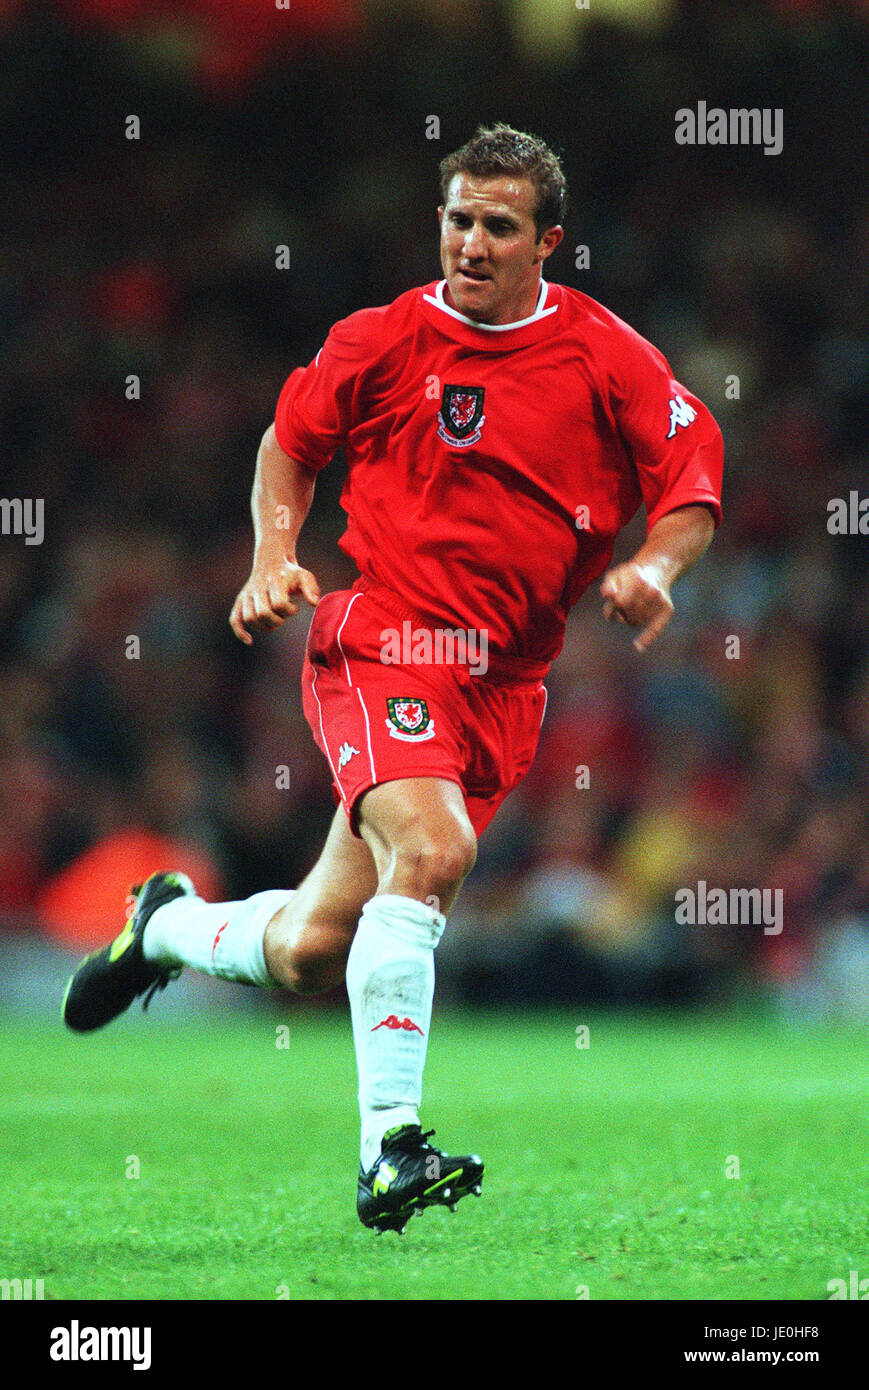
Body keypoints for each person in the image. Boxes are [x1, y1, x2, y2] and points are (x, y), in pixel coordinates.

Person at [63, 124, 723, 1234]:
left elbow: (689, 475)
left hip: (504, 687)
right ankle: (389, 1150)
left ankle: (164, 928)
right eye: (458, 218)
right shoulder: (380, 340)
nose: (471, 242)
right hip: (385, 640)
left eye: (498, 226)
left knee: (317, 949)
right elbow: (289, 444)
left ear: (545, 243)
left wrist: (654, 567)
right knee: (434, 849)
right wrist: (275, 557)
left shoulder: (607, 356)